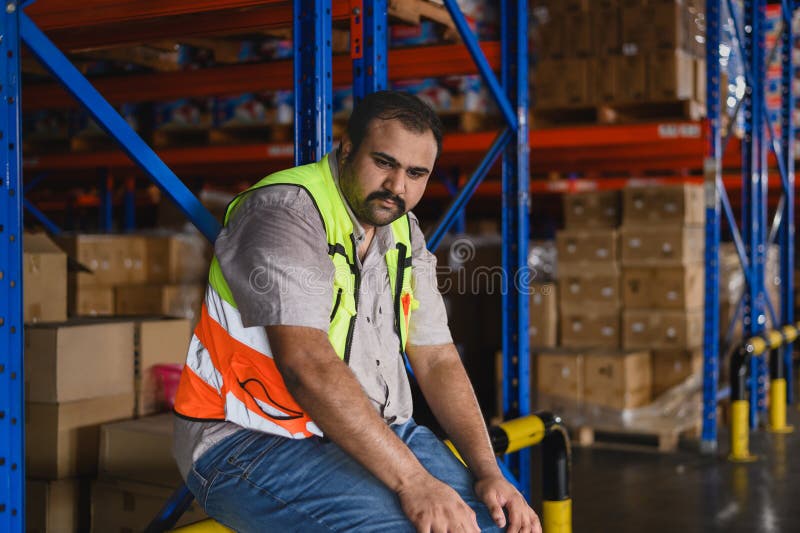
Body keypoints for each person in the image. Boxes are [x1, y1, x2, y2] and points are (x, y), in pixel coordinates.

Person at [172, 90, 541, 533]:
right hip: (249, 444)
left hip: (370, 429)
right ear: (347, 149)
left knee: (498, 523)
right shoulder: (284, 212)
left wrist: (489, 472)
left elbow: (437, 356)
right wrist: (413, 483)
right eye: (384, 163)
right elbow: (307, 365)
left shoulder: (402, 230)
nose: (397, 187)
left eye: (416, 173)